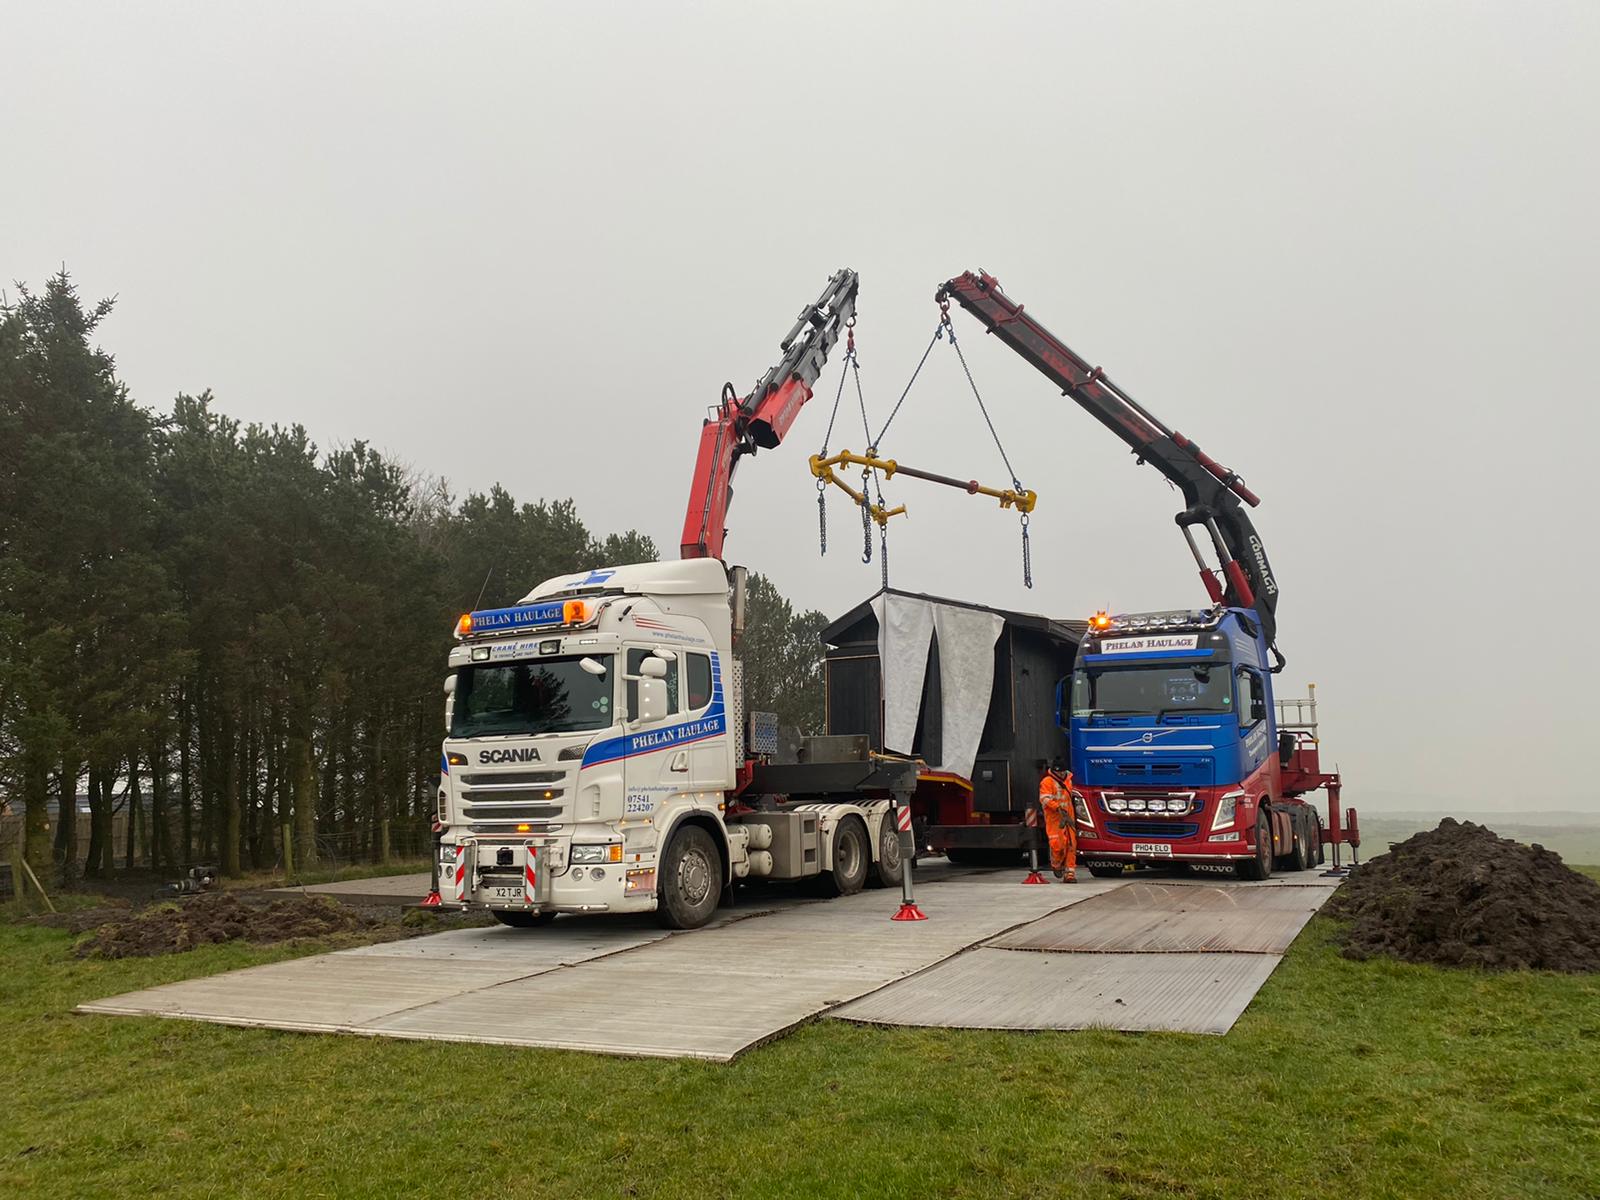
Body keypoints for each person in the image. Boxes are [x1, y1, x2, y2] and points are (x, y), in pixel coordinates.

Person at [1038, 756, 1077, 883]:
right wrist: (1057, 807)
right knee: (1058, 844)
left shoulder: (1069, 780)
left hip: (1068, 817)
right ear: (1053, 771)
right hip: (1055, 818)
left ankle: (1070, 873)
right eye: (1058, 771)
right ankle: (1056, 864)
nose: (1060, 773)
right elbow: (1044, 799)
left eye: (1062, 771)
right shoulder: (1047, 782)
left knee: (1071, 844)